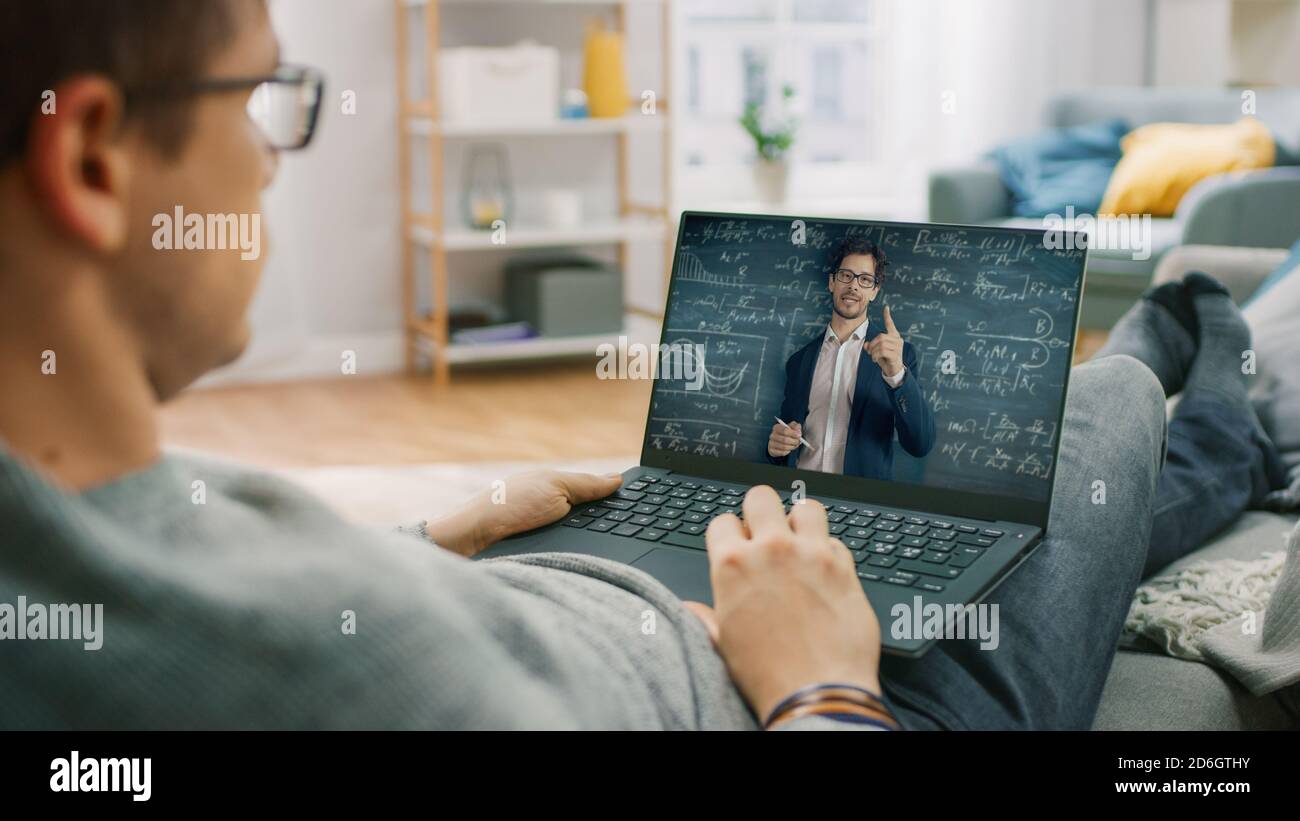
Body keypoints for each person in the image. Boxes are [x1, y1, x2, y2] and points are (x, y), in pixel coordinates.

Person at [0, 0, 1284, 730]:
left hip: (608, 579)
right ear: (99, 162)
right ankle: (1202, 353)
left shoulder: (81, 541)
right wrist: (821, 680)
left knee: (987, 510)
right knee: (1103, 403)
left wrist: (426, 535)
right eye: (261, 95)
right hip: (830, 672)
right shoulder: (360, 679)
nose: (271, 155)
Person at [765, 237, 936, 479]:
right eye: (846, 275)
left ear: (874, 291)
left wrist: (896, 373)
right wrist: (775, 449)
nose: (853, 286)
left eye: (865, 279)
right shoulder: (799, 362)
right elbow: (784, 442)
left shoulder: (899, 356)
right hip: (801, 496)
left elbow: (920, 444)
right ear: (832, 282)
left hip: (859, 505)